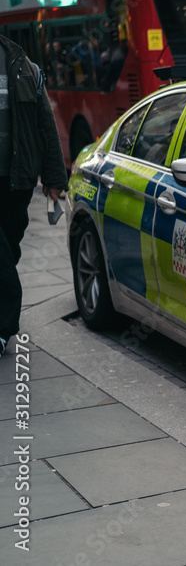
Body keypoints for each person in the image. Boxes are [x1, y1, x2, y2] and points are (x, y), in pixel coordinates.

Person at [0, 35, 68, 357]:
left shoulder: (24, 66)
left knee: (8, 248)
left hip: (17, 181)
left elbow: (45, 124)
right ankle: (3, 327)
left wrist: (55, 178)